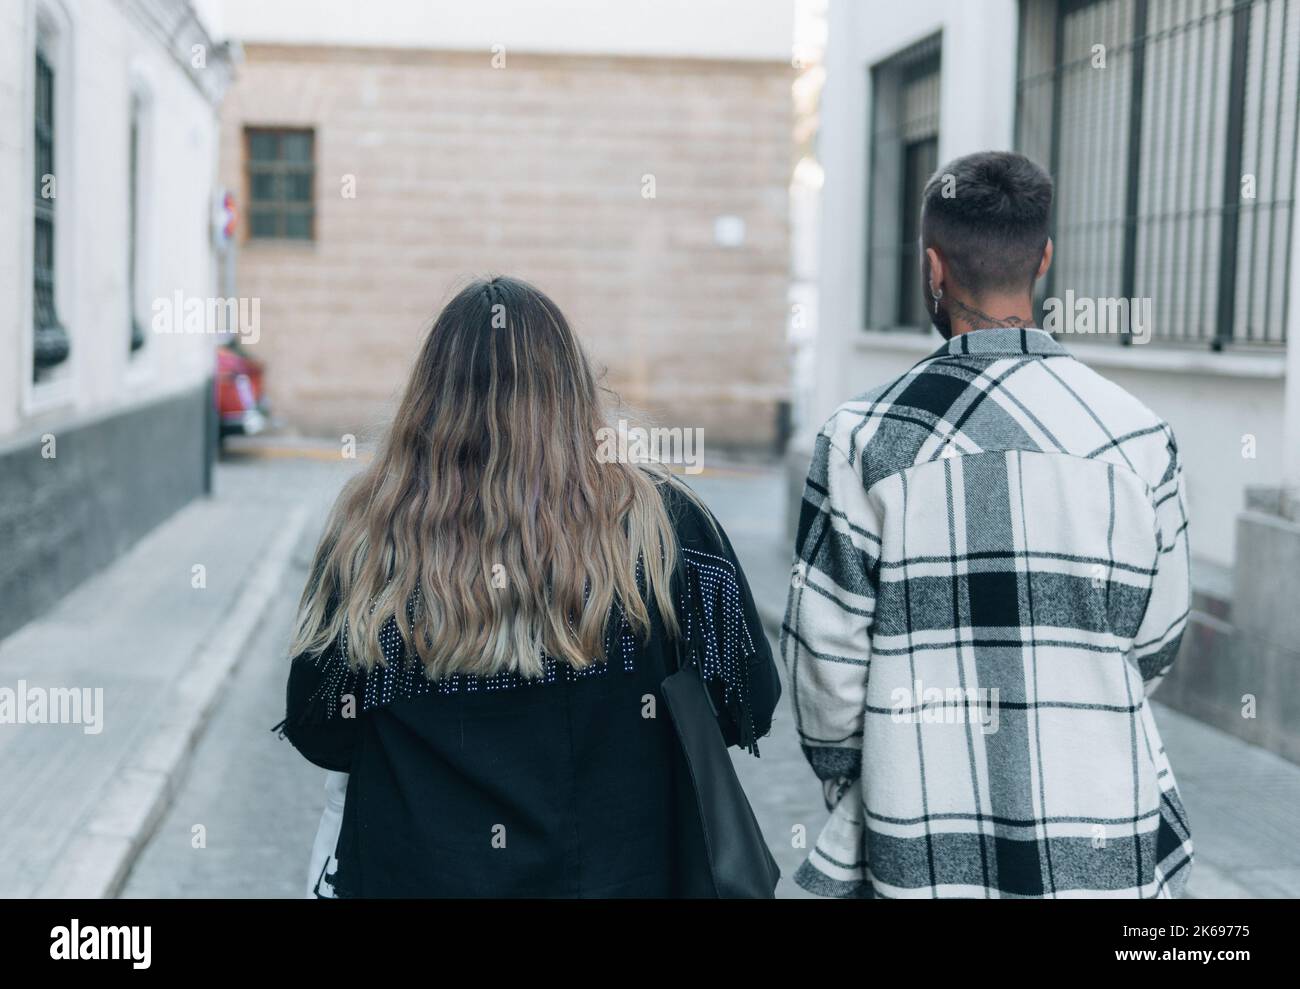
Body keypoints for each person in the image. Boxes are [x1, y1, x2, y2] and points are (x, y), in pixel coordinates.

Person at [279, 275, 780, 897]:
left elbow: (319, 726)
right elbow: (748, 704)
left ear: (430, 396)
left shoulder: (371, 534)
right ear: (573, 388)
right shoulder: (666, 525)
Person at [783, 151, 1193, 898]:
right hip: (1100, 841)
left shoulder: (862, 439)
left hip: (921, 840)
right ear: (1043, 260)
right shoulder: (1136, 438)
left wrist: (861, 776)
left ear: (933, 270)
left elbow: (825, 663)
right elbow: (1156, 643)